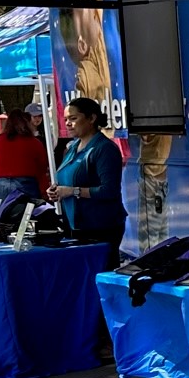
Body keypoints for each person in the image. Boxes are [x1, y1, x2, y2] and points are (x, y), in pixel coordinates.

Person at [46, 97, 127, 262]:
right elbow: (68, 179)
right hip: (75, 224)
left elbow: (109, 190)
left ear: (91, 118)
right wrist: (57, 190)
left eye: (73, 118)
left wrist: (72, 191)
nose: (68, 124)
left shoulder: (104, 149)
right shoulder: (72, 147)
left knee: (98, 272)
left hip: (100, 226)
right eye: (66, 119)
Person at [0, 103, 50, 203]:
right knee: (28, 216)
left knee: (3, 216)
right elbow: (42, 168)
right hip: (27, 183)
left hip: (1, 184)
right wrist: (44, 191)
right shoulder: (35, 143)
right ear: (27, 123)